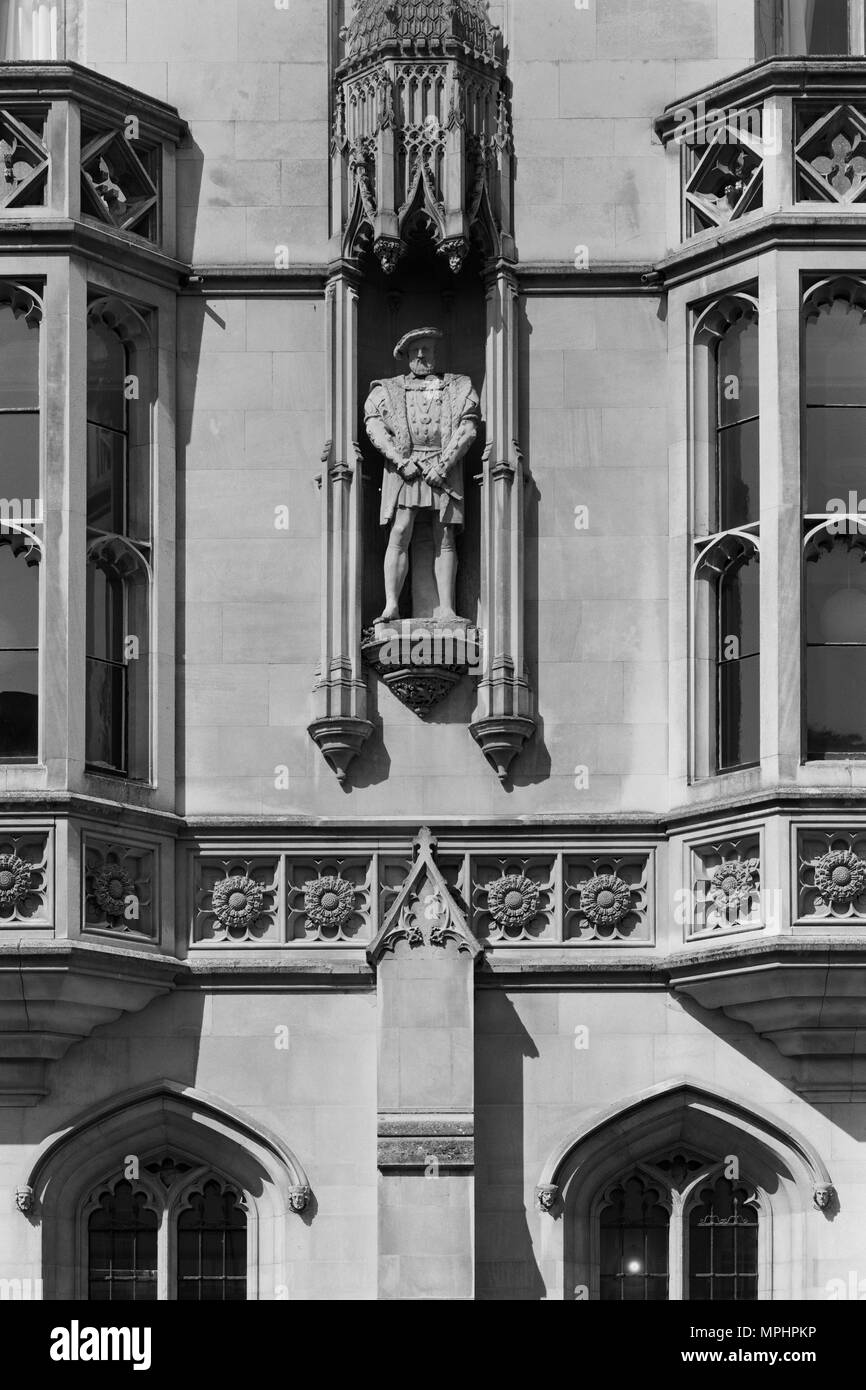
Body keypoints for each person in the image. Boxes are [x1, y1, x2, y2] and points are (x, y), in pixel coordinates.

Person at [365, 328, 479, 622]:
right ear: (404, 355)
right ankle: (391, 604)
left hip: (444, 468)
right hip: (406, 469)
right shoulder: (386, 389)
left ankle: (447, 609)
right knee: (401, 530)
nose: (421, 355)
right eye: (415, 350)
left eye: (426, 349)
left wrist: (444, 465)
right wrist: (401, 461)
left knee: (446, 535)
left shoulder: (457, 386)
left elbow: (468, 428)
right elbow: (375, 428)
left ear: (434, 352)